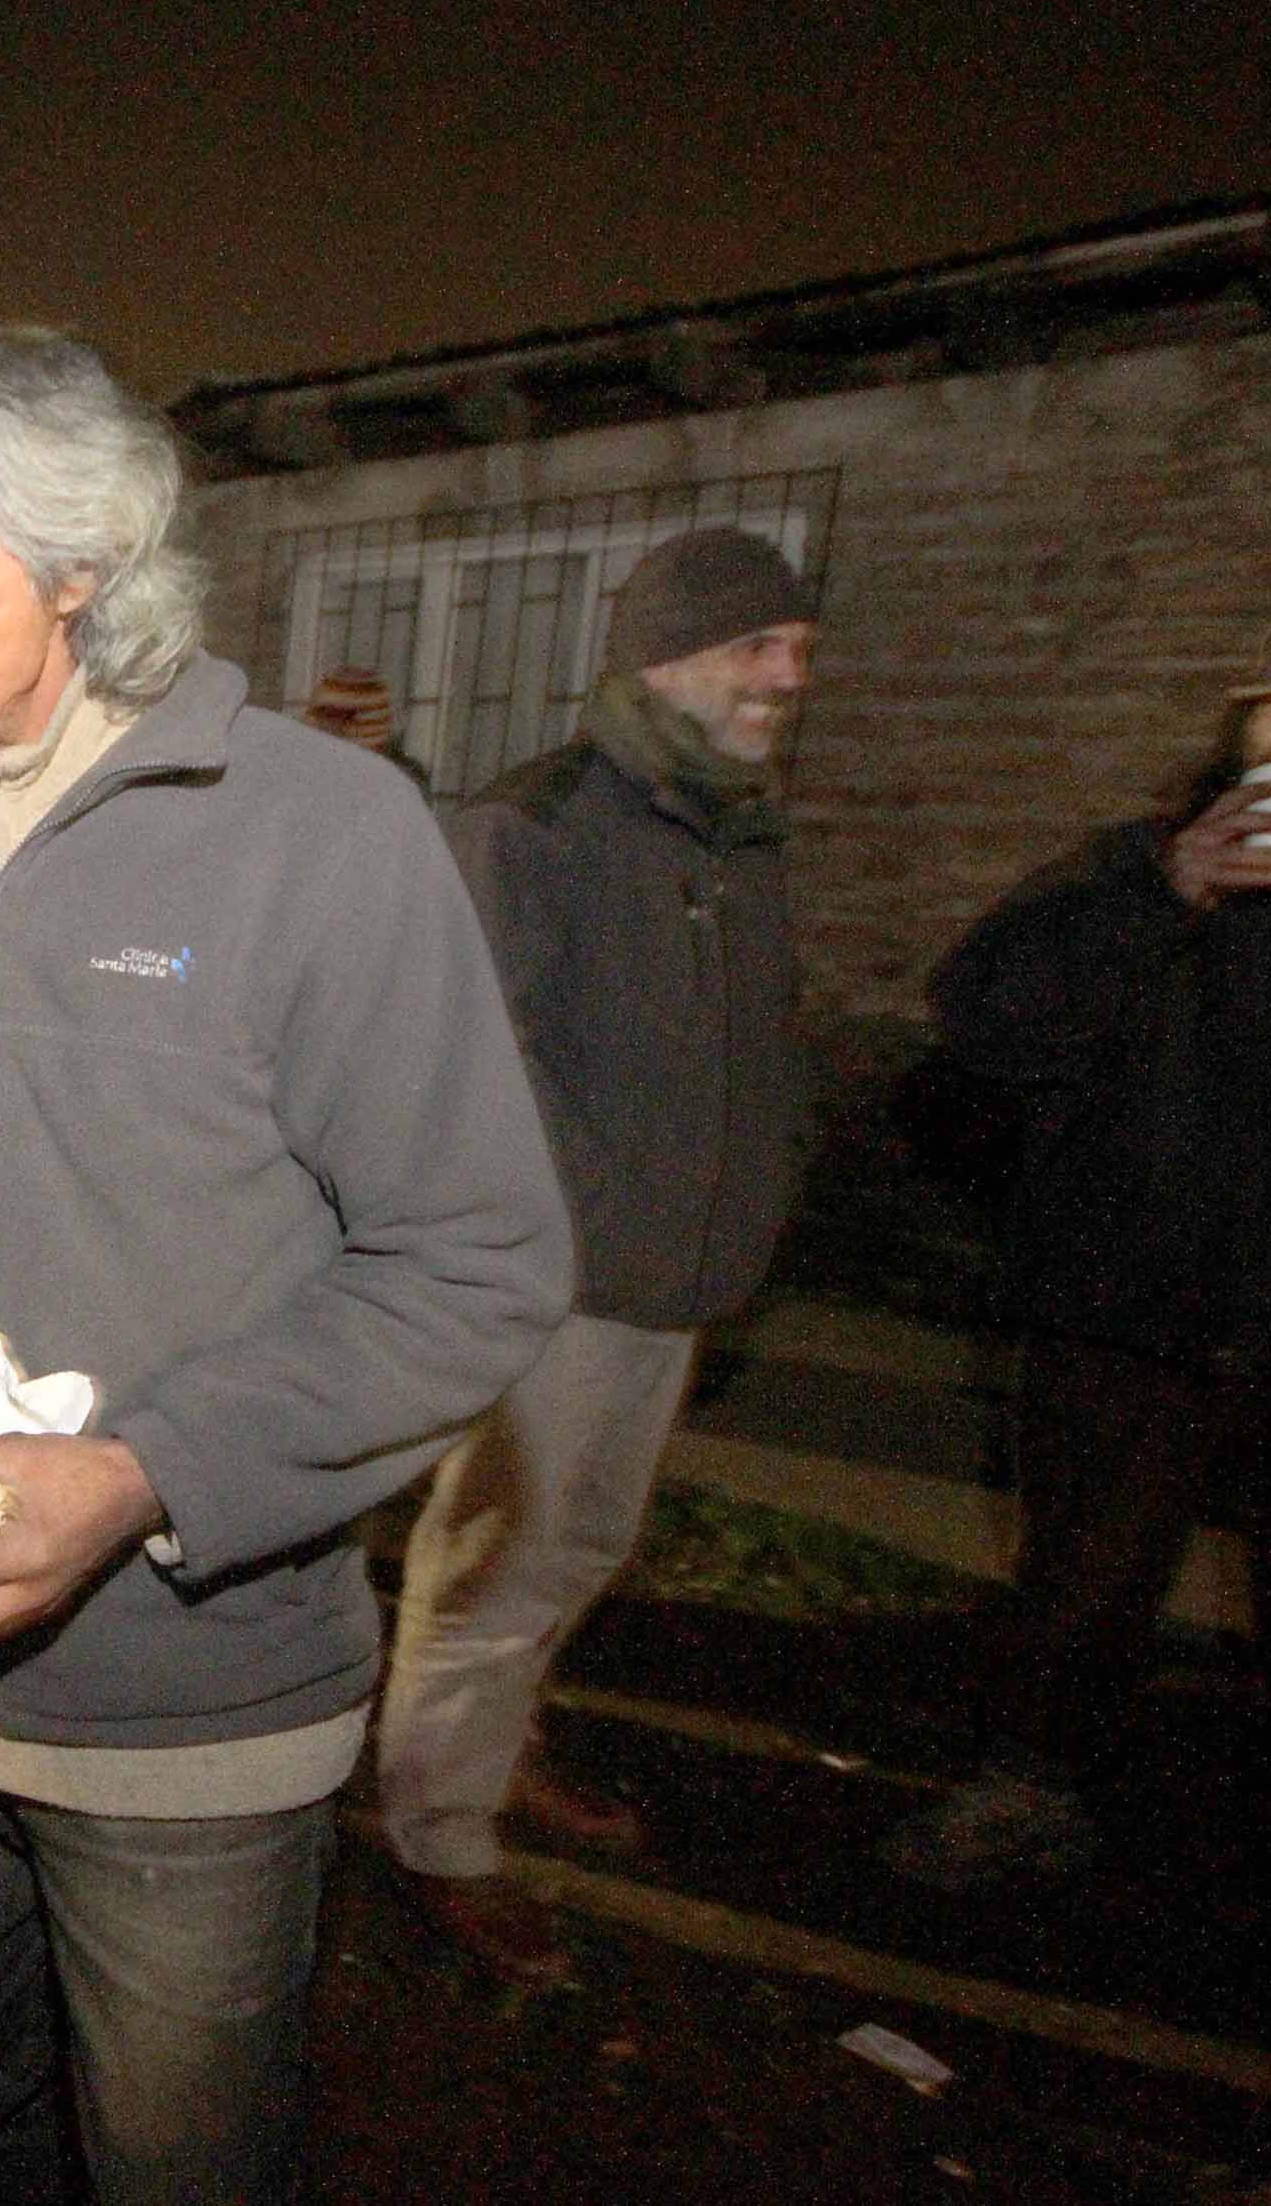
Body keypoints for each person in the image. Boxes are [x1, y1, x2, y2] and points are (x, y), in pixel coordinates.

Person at [0, 328, 572, 2204]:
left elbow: (476, 1260)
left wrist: (142, 1476)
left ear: (80, 566)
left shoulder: (322, 835)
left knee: (182, 2162)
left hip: (200, 1704)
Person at [882, 587, 1271, 2080]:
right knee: (1079, 1584)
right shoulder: (1144, 867)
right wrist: (1167, 890)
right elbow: (983, 1018)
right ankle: (1031, 1783)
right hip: (1132, 1319)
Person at [371, 527, 820, 1985]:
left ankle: (499, 1749)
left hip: (670, 1281)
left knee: (577, 1546)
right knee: (502, 1550)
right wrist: (576, 1223)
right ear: (666, 654)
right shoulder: (543, 820)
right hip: (559, 1282)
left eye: (799, 648)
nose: (789, 675)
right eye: (760, 646)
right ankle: (438, 1826)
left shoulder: (742, 832)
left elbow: (763, 1053)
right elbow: (461, 1056)